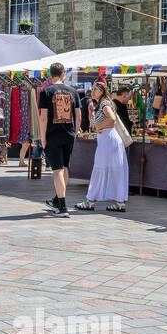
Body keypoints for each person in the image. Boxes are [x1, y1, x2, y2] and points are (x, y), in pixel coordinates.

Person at [75, 80, 129, 213]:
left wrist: (99, 126)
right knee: (113, 170)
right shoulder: (100, 104)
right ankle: (119, 202)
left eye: (96, 90)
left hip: (108, 140)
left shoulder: (105, 103)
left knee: (100, 168)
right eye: (92, 89)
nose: (93, 92)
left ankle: (90, 201)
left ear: (102, 92)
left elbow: (112, 120)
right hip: (108, 140)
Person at [38, 62, 81, 217]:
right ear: (63, 74)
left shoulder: (46, 92)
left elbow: (43, 118)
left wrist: (42, 138)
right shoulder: (73, 91)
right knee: (64, 168)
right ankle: (57, 199)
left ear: (51, 75)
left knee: (57, 171)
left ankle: (62, 206)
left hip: (53, 134)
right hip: (68, 134)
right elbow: (78, 116)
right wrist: (74, 133)